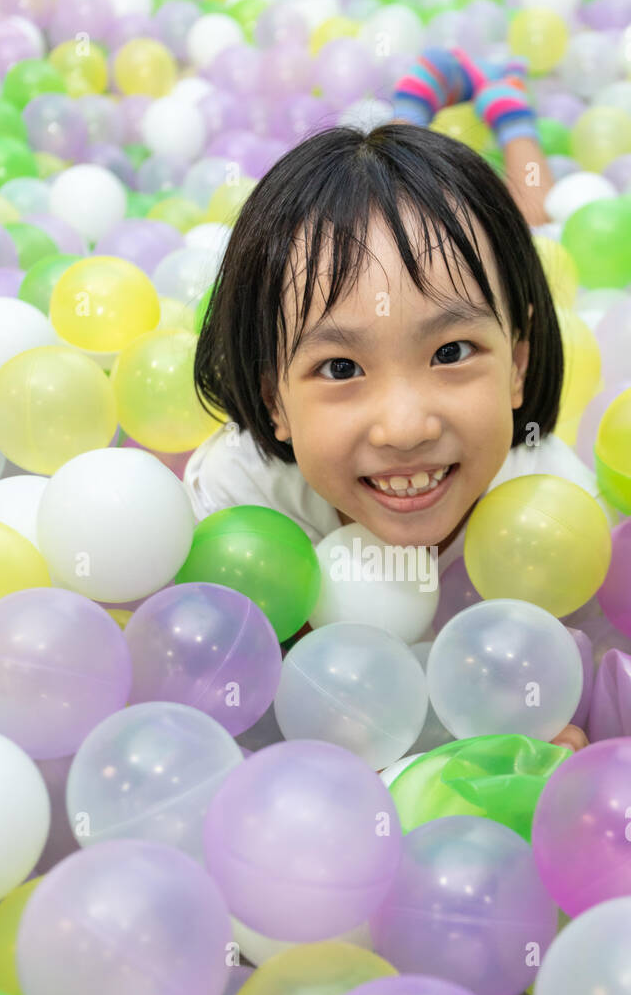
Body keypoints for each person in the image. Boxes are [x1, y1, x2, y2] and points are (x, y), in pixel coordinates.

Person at [186, 47, 598, 749]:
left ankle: (507, 107)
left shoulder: (552, 508)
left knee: (536, 209)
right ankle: (414, 106)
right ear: (273, 399)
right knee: (392, 195)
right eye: (341, 367)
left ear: (518, 369)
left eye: (452, 353)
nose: (404, 427)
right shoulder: (245, 502)